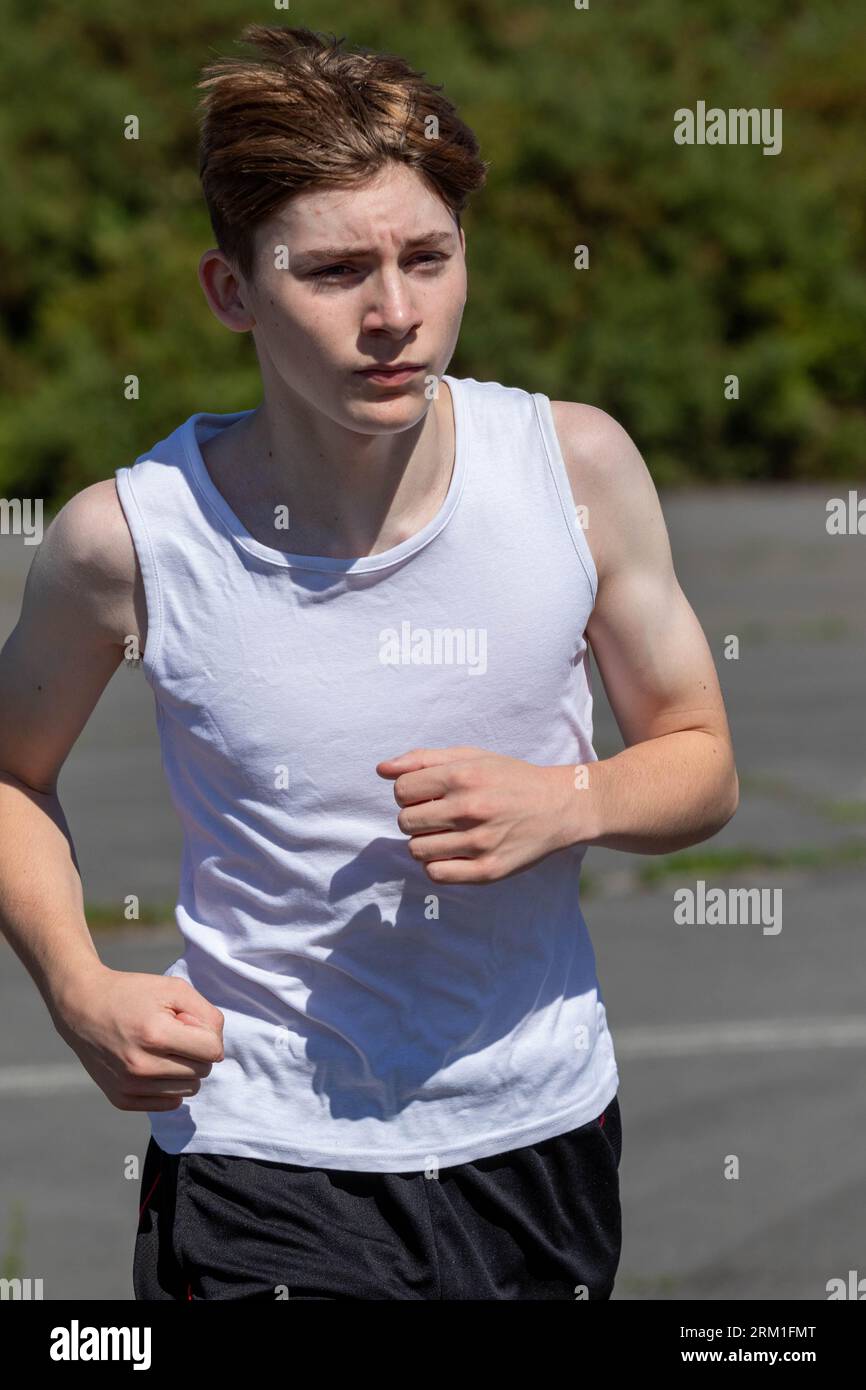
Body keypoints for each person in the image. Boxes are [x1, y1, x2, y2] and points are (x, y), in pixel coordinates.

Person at [0, 24, 738, 1300]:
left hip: (536, 1137)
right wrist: (77, 987)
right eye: (335, 271)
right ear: (231, 292)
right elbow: (9, 776)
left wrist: (566, 801)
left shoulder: (572, 471)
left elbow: (702, 761)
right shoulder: (126, 541)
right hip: (260, 1151)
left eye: (427, 259)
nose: (394, 314)